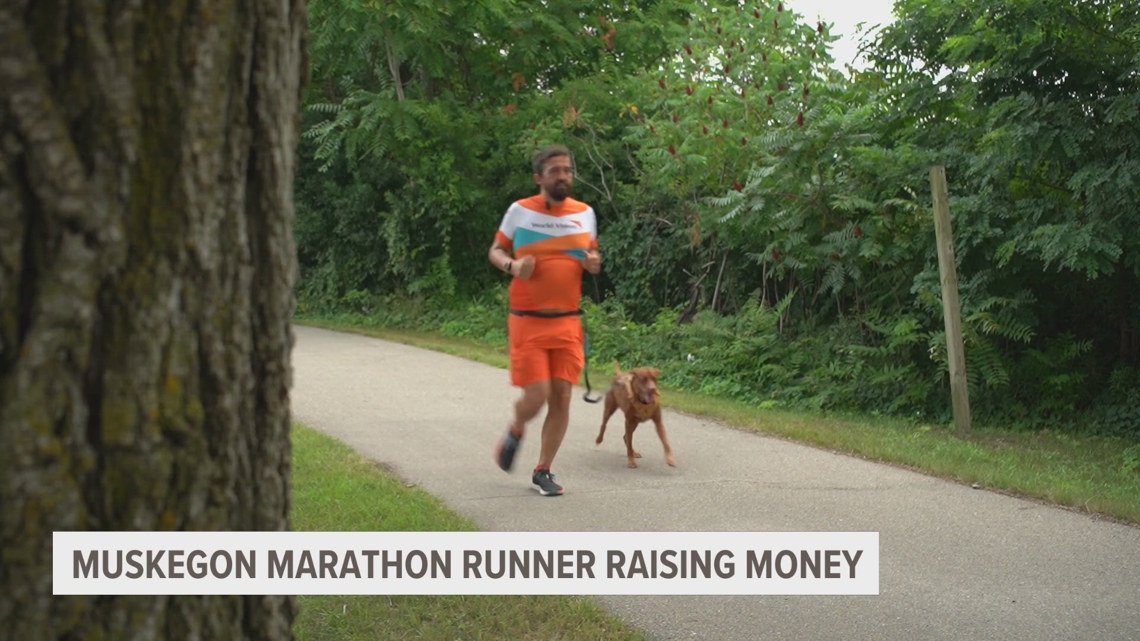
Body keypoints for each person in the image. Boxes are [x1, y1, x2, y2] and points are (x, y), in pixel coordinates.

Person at [488, 144, 602, 496]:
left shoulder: (585, 213)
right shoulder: (519, 211)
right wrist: (513, 266)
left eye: (567, 170)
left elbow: (591, 254)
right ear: (540, 177)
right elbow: (495, 250)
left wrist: (593, 263)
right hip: (528, 320)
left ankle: (543, 470)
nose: (563, 176)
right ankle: (517, 427)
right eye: (555, 171)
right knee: (537, 396)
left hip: (568, 321)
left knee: (562, 397)